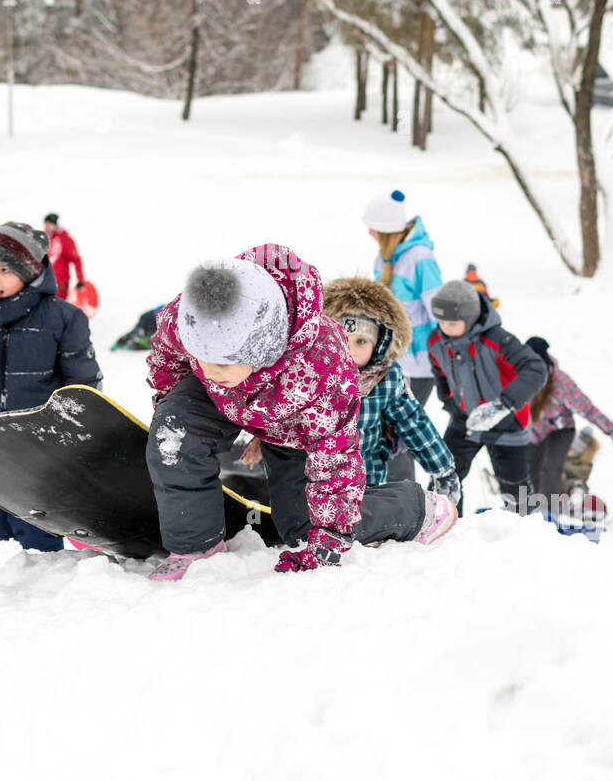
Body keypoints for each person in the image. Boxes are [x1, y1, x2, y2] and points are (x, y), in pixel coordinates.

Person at [145, 243, 366, 580]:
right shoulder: (193, 313)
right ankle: (195, 546)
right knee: (174, 433)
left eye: (220, 360)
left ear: (259, 348)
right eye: (200, 355)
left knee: (300, 525)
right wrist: (167, 401)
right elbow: (167, 353)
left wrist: (329, 539)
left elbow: (336, 459)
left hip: (291, 420)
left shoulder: (323, 368)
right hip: (223, 397)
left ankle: (411, 508)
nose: (207, 366)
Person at [242, 275, 461, 546]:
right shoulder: (311, 375)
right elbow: (283, 412)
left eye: (361, 342)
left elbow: (415, 425)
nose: (351, 349)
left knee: (362, 518)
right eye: (344, 338)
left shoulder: (386, 381)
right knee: (303, 520)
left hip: (367, 481)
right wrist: (260, 437)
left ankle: (405, 513)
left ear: (379, 344)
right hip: (316, 479)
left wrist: (443, 470)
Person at [0, 222, 102, 553]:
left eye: (5, 269)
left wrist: (74, 445)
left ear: (30, 273)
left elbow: (84, 389)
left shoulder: (65, 319)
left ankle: (42, 593)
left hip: (42, 452)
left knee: (38, 535)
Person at [427, 280, 548, 516]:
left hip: (507, 422)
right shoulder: (436, 342)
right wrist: (449, 401)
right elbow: (439, 370)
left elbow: (535, 369)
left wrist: (504, 404)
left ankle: (523, 531)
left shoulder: (498, 340)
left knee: (515, 488)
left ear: (470, 317)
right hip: (466, 420)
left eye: (452, 323)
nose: (444, 328)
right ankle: (443, 526)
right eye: (440, 321)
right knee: (444, 477)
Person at [363, 188, 443, 479]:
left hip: (420, 364)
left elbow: (439, 314)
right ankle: (392, 495)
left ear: (386, 230)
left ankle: (404, 499)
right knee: (386, 427)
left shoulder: (420, 259)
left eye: (373, 227)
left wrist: (444, 360)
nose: (369, 232)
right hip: (393, 362)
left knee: (399, 428)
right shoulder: (383, 259)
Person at [525, 336, 613, 507]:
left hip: (560, 431)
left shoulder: (561, 383)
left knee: (550, 469)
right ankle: (529, 512)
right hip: (533, 433)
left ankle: (549, 513)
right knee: (530, 471)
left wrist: (612, 431)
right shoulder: (519, 377)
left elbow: (587, 409)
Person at [43, 213, 85, 298]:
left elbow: (76, 259)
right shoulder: (44, 239)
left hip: (60, 283)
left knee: (57, 307)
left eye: (49, 224)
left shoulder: (64, 239)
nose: (47, 227)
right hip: (45, 281)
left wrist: (80, 279)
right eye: (46, 224)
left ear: (55, 224)